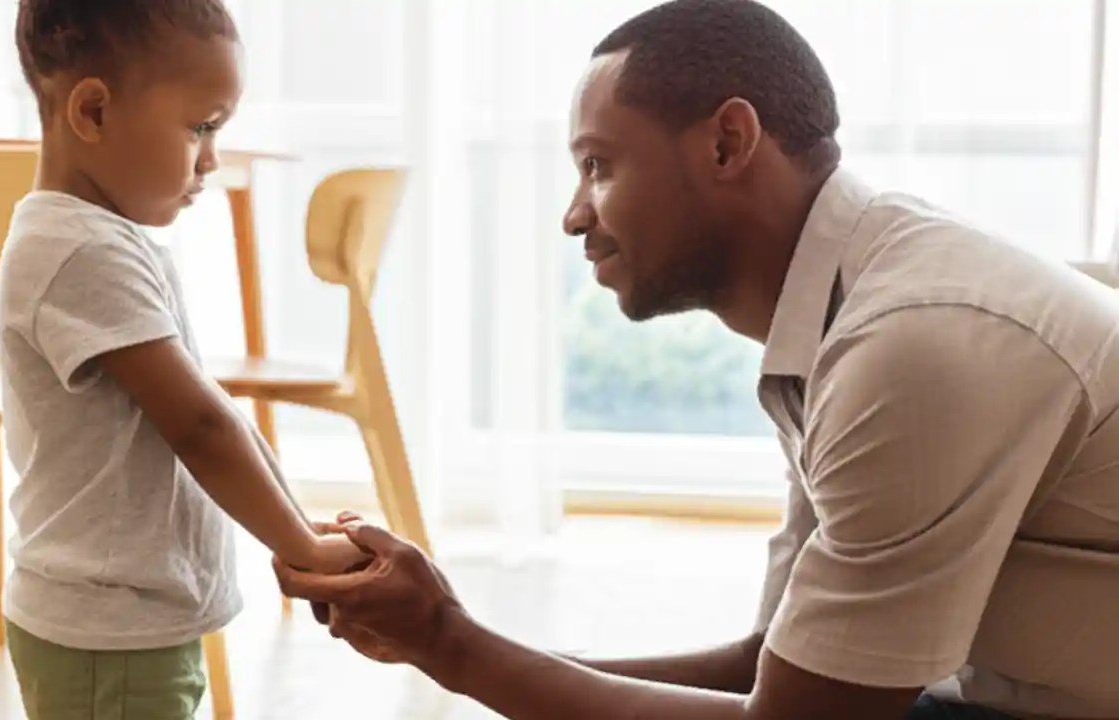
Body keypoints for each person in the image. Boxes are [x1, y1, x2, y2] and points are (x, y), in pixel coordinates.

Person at [274, 1, 1119, 718]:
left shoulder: (911, 347)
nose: (575, 216)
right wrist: (456, 638)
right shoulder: (842, 317)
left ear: (726, 142)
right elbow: (776, 663)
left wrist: (450, 645)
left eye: (598, 165)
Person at [0, 1, 368, 717]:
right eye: (201, 127)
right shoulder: (80, 251)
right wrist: (299, 546)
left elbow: (210, 410)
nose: (212, 159)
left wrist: (298, 522)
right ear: (94, 111)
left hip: (124, 622)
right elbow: (197, 425)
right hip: (109, 631)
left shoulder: (97, 238)